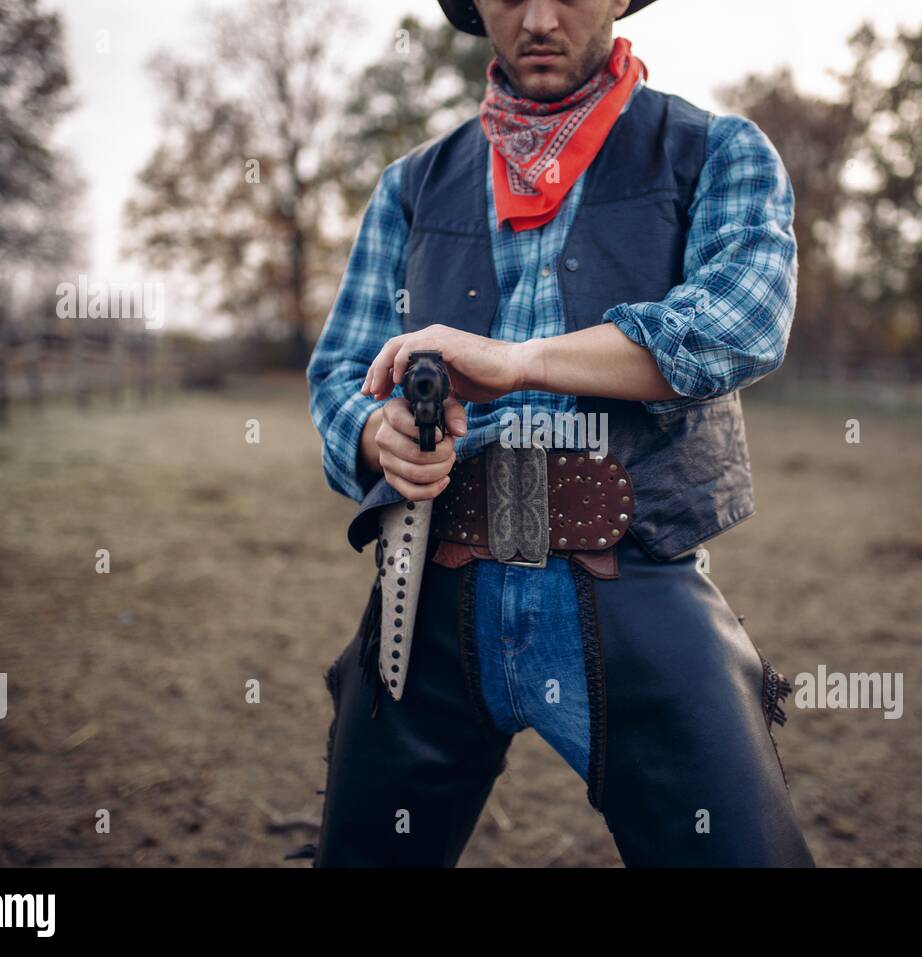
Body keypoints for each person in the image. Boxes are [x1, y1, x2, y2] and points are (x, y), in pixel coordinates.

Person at [303, 0, 815, 867]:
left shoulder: (716, 150)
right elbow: (339, 376)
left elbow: (745, 319)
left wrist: (519, 360)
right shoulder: (409, 185)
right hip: (426, 596)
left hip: (635, 578)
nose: (538, 17)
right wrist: (374, 435)